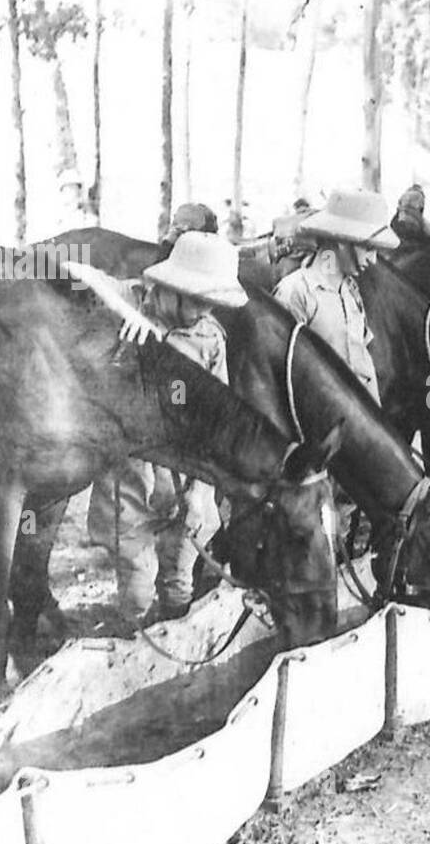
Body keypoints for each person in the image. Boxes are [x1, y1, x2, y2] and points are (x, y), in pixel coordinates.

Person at [87, 232, 248, 629]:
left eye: (210, 303)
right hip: (132, 477)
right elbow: (75, 272)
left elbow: (218, 413)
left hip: (189, 478)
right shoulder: (125, 307)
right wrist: (125, 332)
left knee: (179, 585)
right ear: (169, 287)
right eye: (195, 299)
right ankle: (132, 647)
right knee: (137, 589)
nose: (201, 312)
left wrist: (202, 487)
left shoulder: (210, 338)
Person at [269, 189, 398, 402]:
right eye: (368, 248)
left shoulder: (351, 293)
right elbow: (277, 374)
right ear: (341, 241)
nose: (373, 260)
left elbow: (364, 365)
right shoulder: (296, 292)